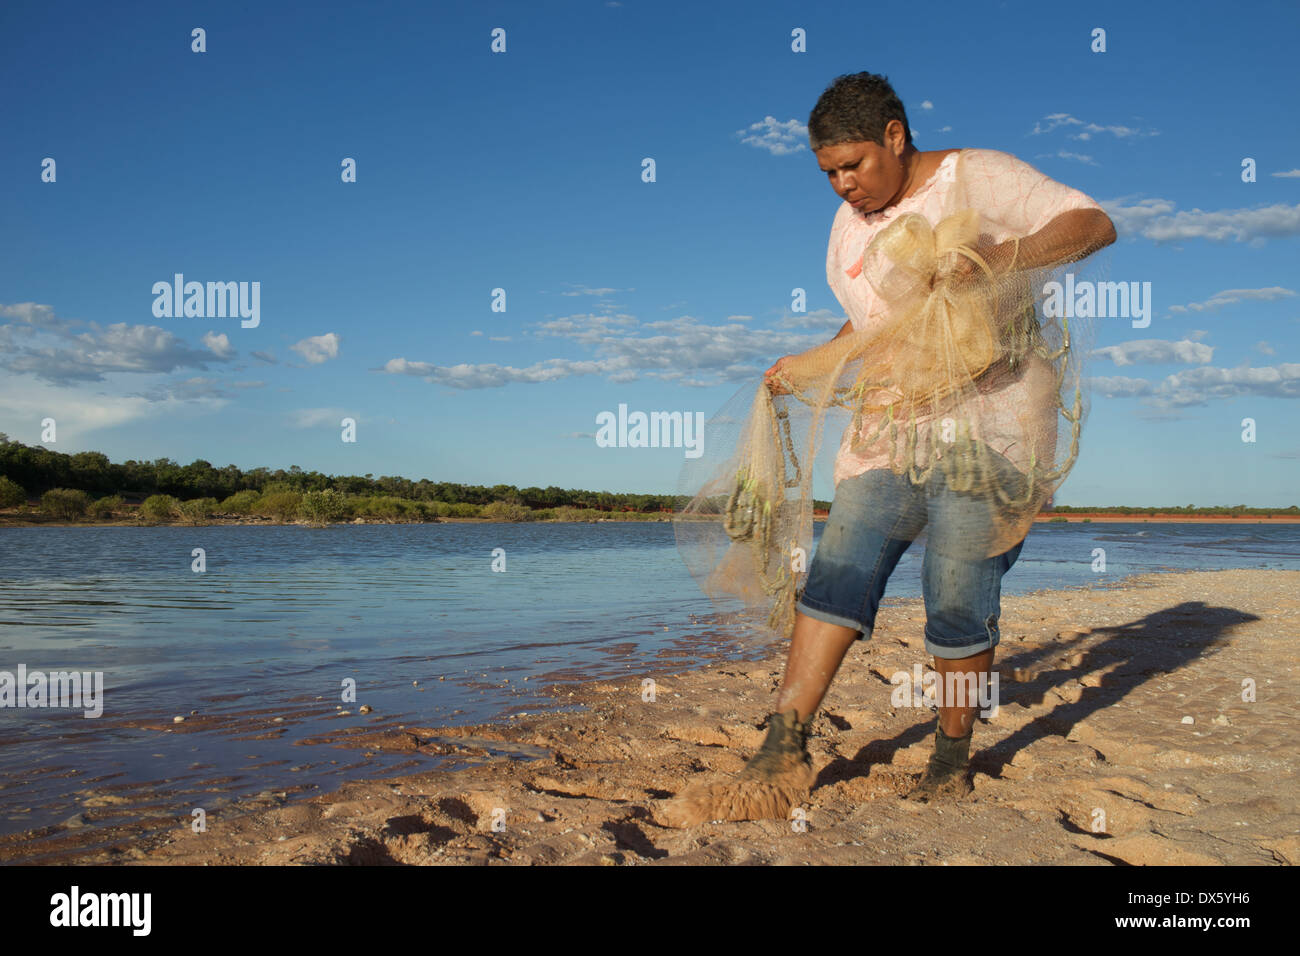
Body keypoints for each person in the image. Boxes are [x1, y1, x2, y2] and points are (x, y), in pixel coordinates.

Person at [658, 72, 1115, 827]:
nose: (843, 186)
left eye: (855, 165)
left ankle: (950, 754)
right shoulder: (847, 232)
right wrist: (808, 363)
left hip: (991, 430)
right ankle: (785, 743)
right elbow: (873, 328)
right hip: (890, 431)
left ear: (895, 137)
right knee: (838, 569)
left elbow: (1092, 223)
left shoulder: (979, 176)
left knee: (958, 593)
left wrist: (996, 263)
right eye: (828, 173)